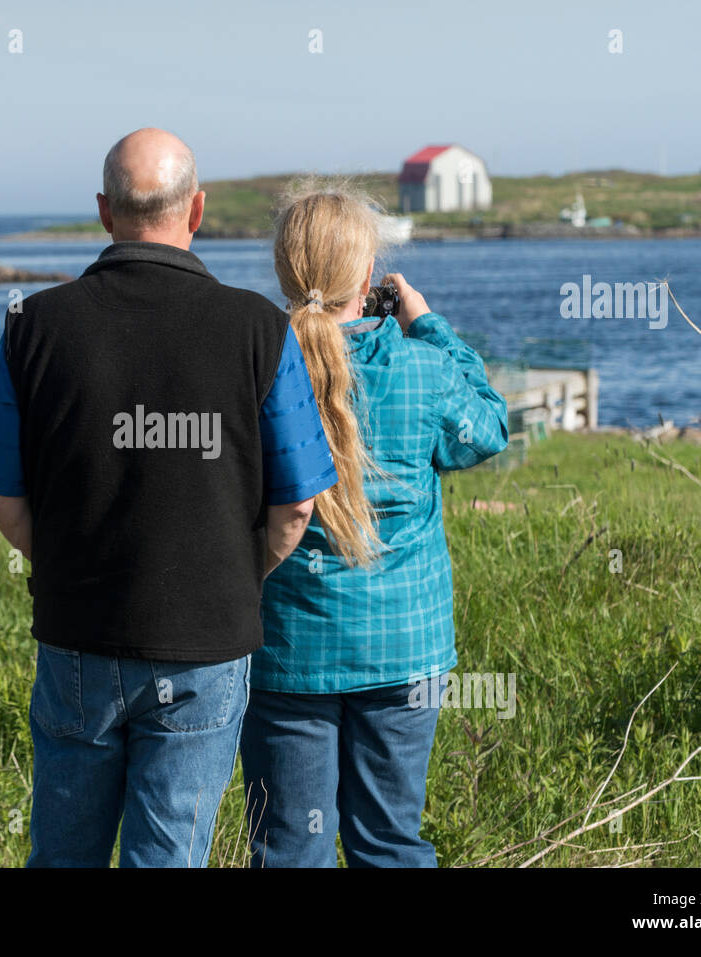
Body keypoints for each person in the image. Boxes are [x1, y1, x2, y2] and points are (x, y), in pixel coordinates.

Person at [0, 129, 339, 867]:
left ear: (104, 211)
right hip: (205, 646)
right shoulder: (261, 328)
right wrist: (239, 572)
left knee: (63, 855)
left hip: (76, 637)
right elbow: (296, 507)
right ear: (196, 210)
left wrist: (64, 555)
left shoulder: (30, 326)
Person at [241, 184, 509, 867]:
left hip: (289, 650)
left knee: (289, 847)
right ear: (368, 278)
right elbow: (487, 429)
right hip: (404, 648)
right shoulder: (422, 369)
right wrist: (426, 322)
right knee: (390, 840)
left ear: (283, 273)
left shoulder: (250, 370)